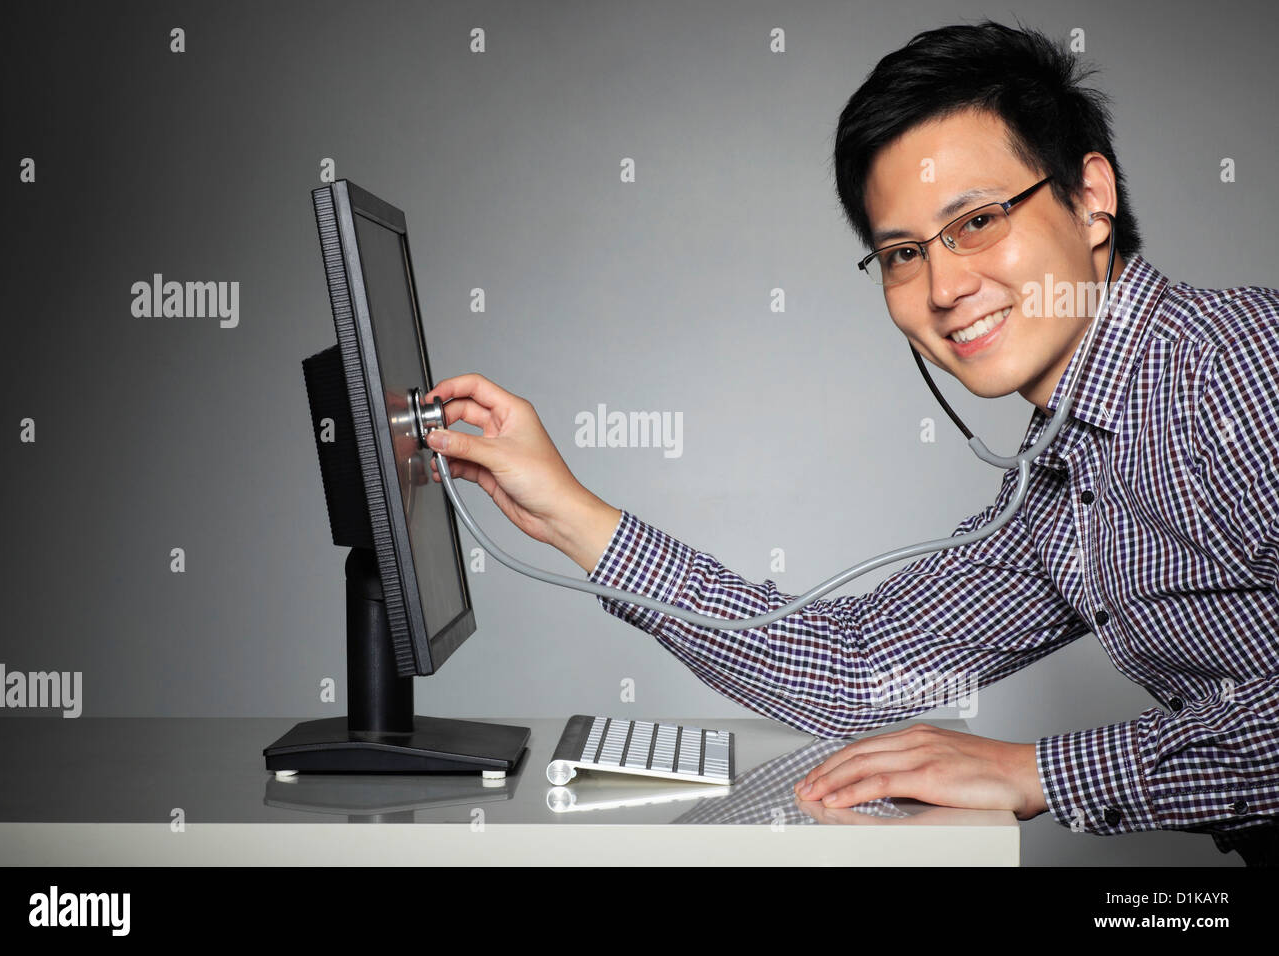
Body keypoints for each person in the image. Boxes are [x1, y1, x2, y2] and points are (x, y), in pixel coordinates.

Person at [422, 20, 1278, 864]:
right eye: (903, 252)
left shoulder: (1237, 367)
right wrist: (573, 515)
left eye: (977, 220)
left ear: (1091, 199)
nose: (944, 286)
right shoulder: (1062, 477)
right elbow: (856, 673)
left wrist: (1043, 772)